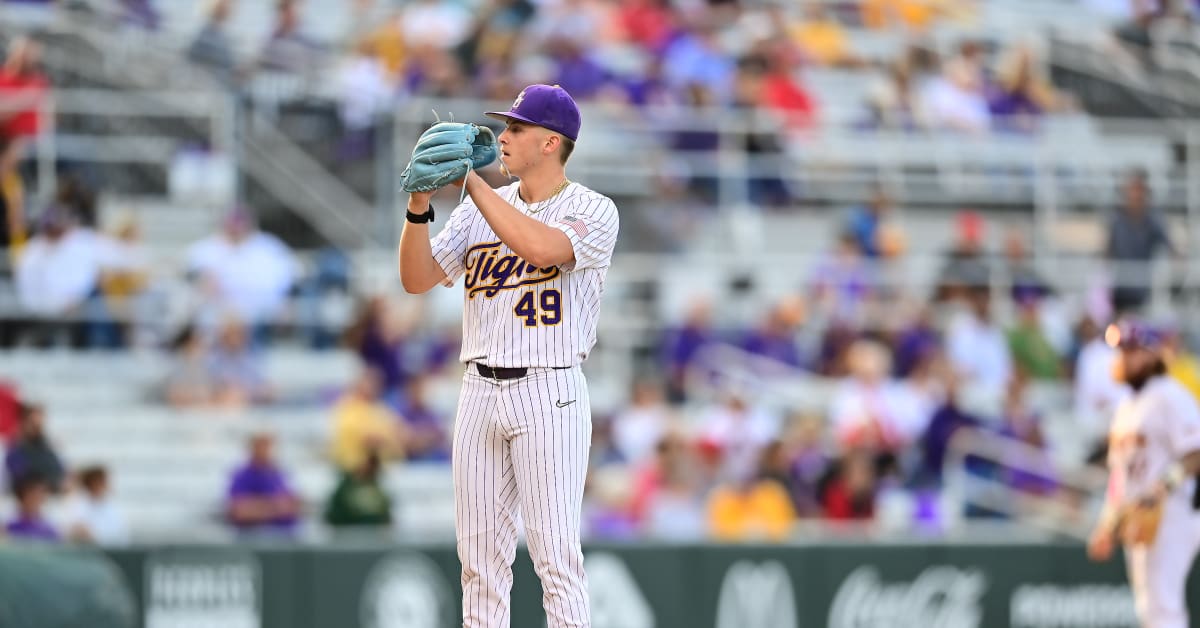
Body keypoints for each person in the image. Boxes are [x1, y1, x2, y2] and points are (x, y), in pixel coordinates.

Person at [397, 84, 619, 627]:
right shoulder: (482, 210)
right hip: (478, 389)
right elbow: (417, 278)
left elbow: (542, 248)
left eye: (516, 128)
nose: (503, 136)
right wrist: (419, 205)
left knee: (555, 557)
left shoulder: (594, 208)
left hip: (549, 391)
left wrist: (471, 183)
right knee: (479, 565)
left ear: (550, 142)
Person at [1088, 320, 1200, 628]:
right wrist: (1107, 524)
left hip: (1172, 512)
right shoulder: (1126, 405)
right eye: (1122, 352)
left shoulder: (1170, 395)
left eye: (1133, 351)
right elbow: (1119, 476)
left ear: (1153, 354)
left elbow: (1195, 454)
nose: (1124, 359)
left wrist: (1161, 488)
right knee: (1150, 607)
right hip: (1138, 515)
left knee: (1162, 606)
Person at [226, 432, 301, 535]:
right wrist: (275, 507)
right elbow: (241, 512)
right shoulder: (242, 476)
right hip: (255, 535)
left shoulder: (277, 474)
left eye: (268, 447)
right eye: (262, 446)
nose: (266, 451)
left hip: (286, 535)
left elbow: (292, 506)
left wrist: (261, 506)